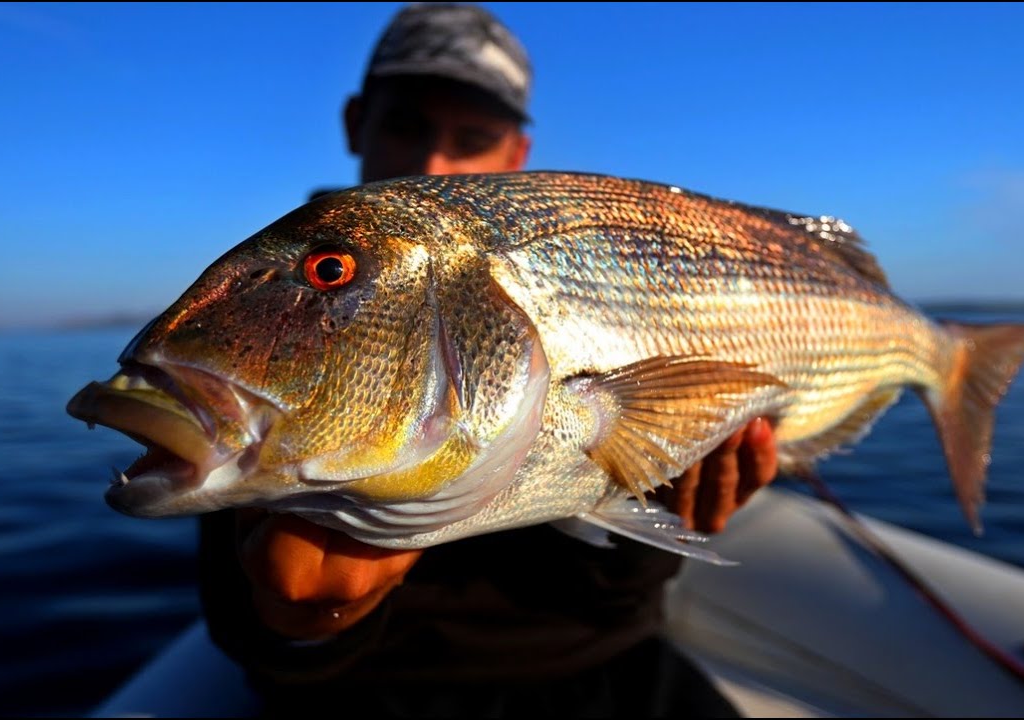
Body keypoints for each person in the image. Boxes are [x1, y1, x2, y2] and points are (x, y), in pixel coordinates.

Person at [198, 4, 779, 716]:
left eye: (471, 138)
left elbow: (610, 588)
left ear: (515, 156)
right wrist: (306, 625)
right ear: (357, 123)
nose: (431, 163)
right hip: (371, 695)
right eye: (405, 124)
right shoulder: (281, 303)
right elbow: (250, 633)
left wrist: (661, 508)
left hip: (602, 667)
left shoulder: (558, 258)